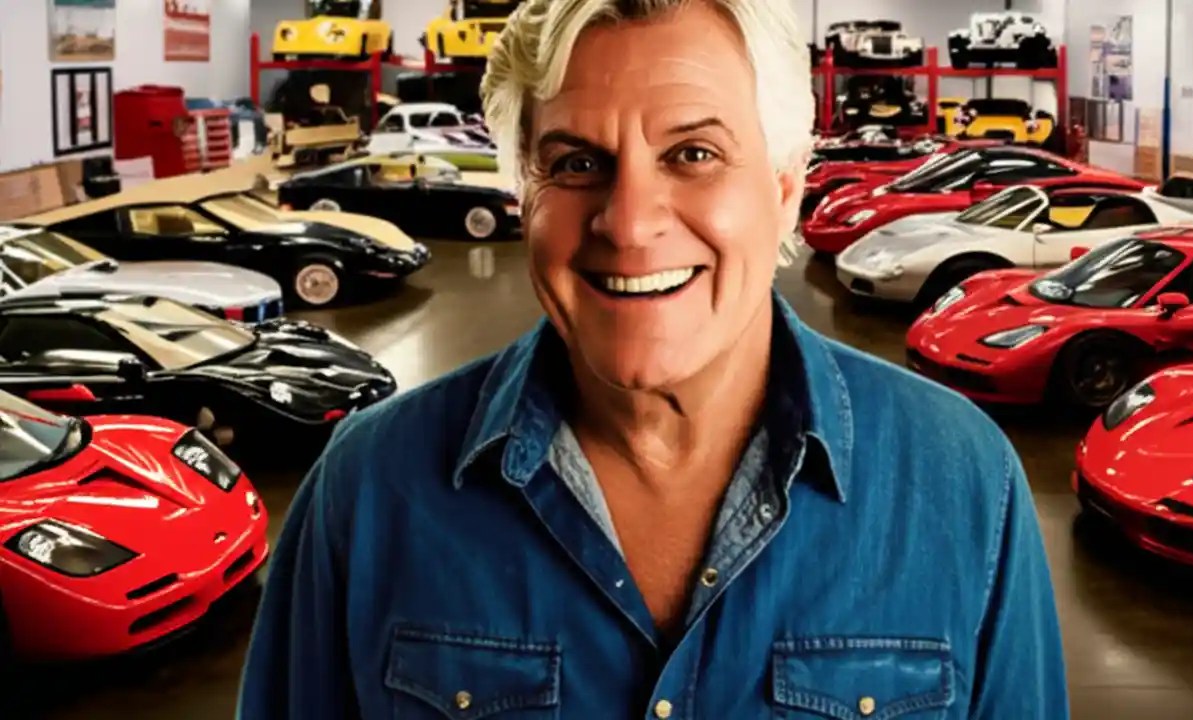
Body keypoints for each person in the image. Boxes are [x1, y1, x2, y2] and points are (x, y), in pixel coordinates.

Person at [237, 0, 1069, 717]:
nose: (630, 224)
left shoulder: (964, 485)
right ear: (522, 196)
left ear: (785, 190)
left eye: (693, 154)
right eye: (576, 163)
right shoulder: (366, 492)